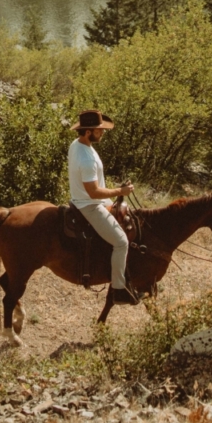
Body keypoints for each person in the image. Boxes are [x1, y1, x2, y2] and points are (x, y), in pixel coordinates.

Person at [68, 109, 138, 306]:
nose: (103, 132)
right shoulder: (86, 158)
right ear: (88, 131)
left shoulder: (79, 145)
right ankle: (118, 289)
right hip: (89, 205)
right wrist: (120, 191)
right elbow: (94, 192)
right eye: (99, 130)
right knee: (121, 242)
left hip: (89, 200)